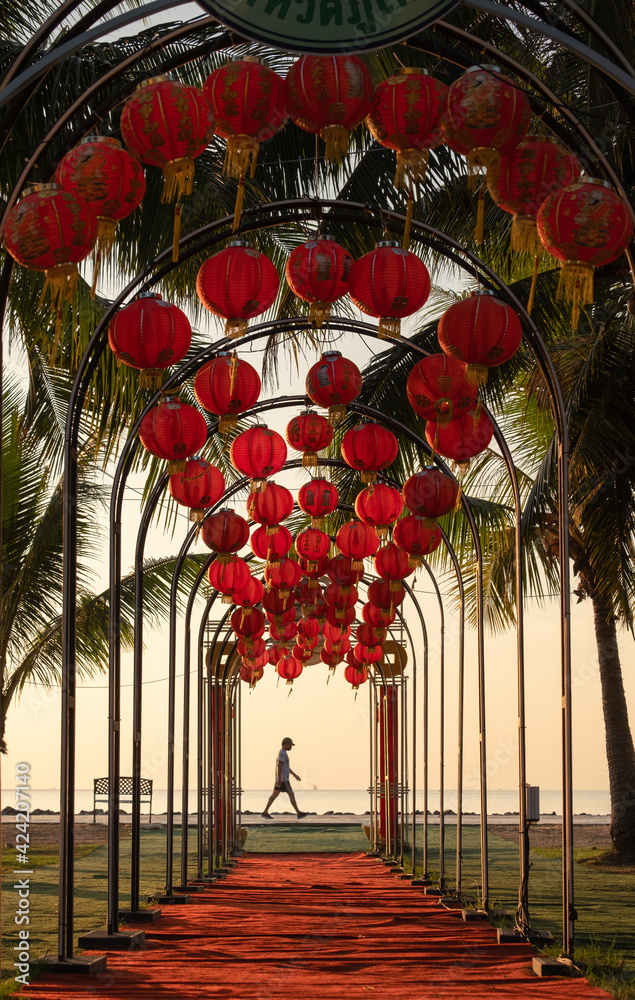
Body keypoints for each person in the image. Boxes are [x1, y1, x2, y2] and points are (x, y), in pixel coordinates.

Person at [261, 737, 308, 819]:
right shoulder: (282, 753)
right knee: (291, 794)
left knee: (273, 796)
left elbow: (286, 767)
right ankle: (298, 813)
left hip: (281, 778)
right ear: (286, 744)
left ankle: (265, 812)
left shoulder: (283, 753)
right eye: (290, 745)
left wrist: (294, 775)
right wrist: (279, 779)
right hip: (283, 779)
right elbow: (280, 765)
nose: (291, 747)